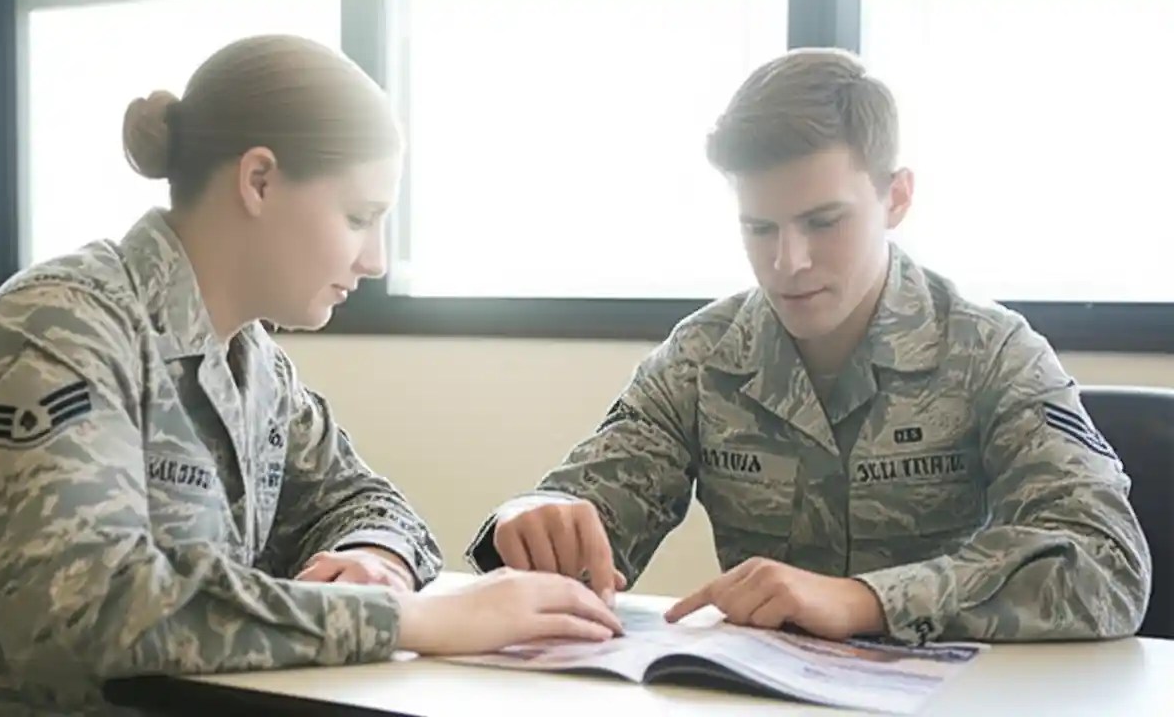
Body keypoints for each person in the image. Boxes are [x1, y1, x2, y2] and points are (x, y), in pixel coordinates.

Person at [0, 35, 621, 716]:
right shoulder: (58, 328)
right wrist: (406, 618)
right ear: (260, 181)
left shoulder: (255, 364)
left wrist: (373, 560)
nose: (376, 260)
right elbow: (79, 609)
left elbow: (370, 502)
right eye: (359, 216)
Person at [466, 47, 1152, 645]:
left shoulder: (992, 352)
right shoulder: (702, 359)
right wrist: (531, 520)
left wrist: (864, 602)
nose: (788, 262)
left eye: (823, 222)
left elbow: (1108, 564)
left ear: (896, 198)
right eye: (759, 228)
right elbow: (586, 516)